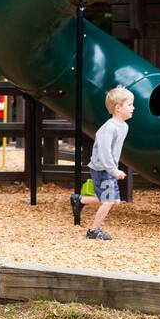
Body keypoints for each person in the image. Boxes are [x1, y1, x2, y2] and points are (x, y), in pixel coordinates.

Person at [70, 84, 134, 240]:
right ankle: (93, 230)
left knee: (114, 200)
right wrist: (114, 170)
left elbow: (113, 152)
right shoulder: (109, 128)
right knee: (109, 200)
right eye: (130, 105)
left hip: (108, 168)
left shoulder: (124, 126)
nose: (133, 108)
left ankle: (80, 200)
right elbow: (105, 153)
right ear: (118, 108)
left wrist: (114, 168)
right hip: (102, 169)